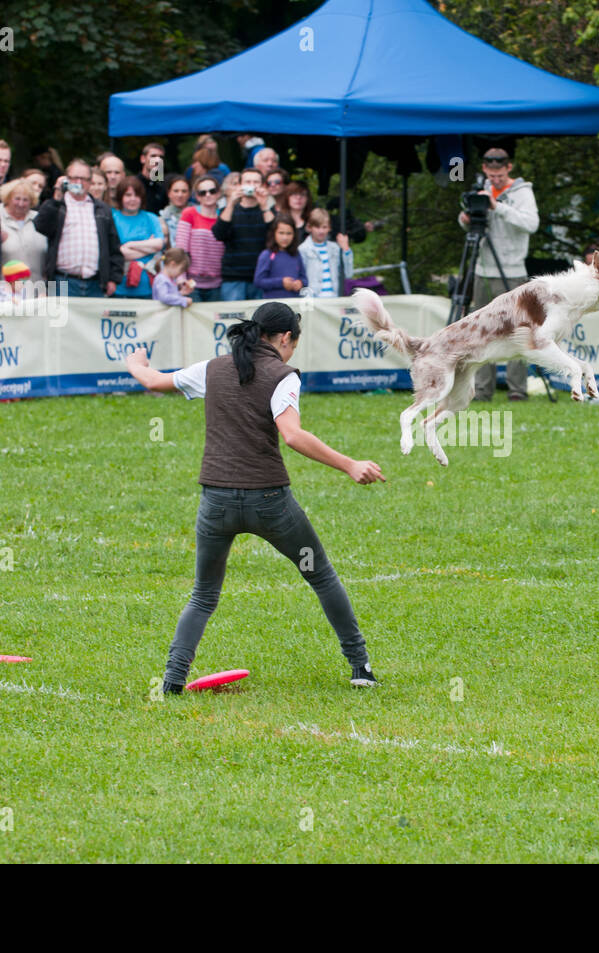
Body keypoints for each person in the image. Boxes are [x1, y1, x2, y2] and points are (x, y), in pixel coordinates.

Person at [122, 300, 385, 693]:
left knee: (204, 594)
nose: (292, 350)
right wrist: (349, 464)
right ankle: (360, 668)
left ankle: (172, 680)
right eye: (294, 343)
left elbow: (152, 381)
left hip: (217, 503)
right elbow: (292, 435)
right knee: (321, 576)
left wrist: (135, 363)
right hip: (270, 504)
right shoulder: (284, 375)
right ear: (283, 338)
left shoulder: (212, 369)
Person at [458, 147, 540, 401]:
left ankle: (517, 389)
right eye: (491, 172)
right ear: (484, 169)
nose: (495, 178)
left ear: (508, 168)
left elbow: (531, 224)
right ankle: (482, 389)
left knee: (517, 330)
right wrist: (465, 218)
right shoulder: (480, 188)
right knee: (482, 331)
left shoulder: (522, 193)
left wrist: (498, 207)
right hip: (483, 268)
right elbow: (472, 222)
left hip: (512, 270)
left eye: (499, 173)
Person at [33, 159, 121, 297]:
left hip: (95, 283)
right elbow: (40, 226)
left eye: (84, 179)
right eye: (75, 178)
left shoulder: (102, 209)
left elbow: (113, 246)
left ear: (90, 182)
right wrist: (56, 197)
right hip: (62, 280)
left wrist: (113, 279)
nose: (79, 182)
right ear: (67, 180)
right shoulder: (58, 205)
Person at [212, 167, 270, 301]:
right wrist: (231, 202)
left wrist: (264, 205)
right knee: (233, 321)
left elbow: (274, 234)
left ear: (262, 185)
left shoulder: (268, 211)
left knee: (263, 321)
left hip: (262, 278)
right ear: (239, 185)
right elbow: (219, 234)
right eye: (248, 181)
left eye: (256, 182)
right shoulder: (227, 210)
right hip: (233, 278)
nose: (252, 185)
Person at [174, 173, 225, 301]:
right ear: (197, 196)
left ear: (218, 193)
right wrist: (181, 279)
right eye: (203, 192)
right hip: (192, 283)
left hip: (218, 283)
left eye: (212, 191)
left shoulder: (225, 216)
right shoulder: (189, 213)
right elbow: (181, 250)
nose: (208, 195)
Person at [111, 176, 164, 299]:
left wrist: (130, 245)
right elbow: (117, 252)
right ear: (120, 197)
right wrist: (148, 246)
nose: (133, 199)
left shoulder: (151, 218)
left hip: (149, 287)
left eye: (137, 195)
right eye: (128, 195)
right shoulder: (113, 218)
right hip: (120, 287)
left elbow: (159, 244)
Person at [0, 178, 48, 289]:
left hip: (37, 289)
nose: (21, 204)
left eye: (25, 200)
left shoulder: (39, 220)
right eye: (17, 199)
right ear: (8, 198)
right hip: (5, 291)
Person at [298, 208, 353, 297]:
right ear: (309, 227)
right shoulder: (303, 249)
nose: (321, 231)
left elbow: (348, 273)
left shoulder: (335, 248)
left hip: (334, 297)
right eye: (317, 227)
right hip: (313, 300)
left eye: (324, 227)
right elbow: (301, 277)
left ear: (329, 228)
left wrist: (346, 249)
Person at [253, 213, 306, 299]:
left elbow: (304, 278)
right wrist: (281, 282)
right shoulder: (267, 254)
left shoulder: (296, 254)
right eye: (281, 233)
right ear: (274, 233)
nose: (285, 237)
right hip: (273, 306)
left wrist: (300, 283)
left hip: (294, 303)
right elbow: (258, 281)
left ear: (294, 235)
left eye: (289, 233)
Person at [136, 142, 168, 214]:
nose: (157, 160)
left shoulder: (162, 187)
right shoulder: (133, 184)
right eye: (153, 156)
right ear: (143, 159)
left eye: (161, 157)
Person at [159, 175, 190, 248]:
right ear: (169, 193)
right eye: (176, 191)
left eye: (184, 191)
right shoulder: (162, 218)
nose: (180, 195)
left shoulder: (197, 213)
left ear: (189, 194)